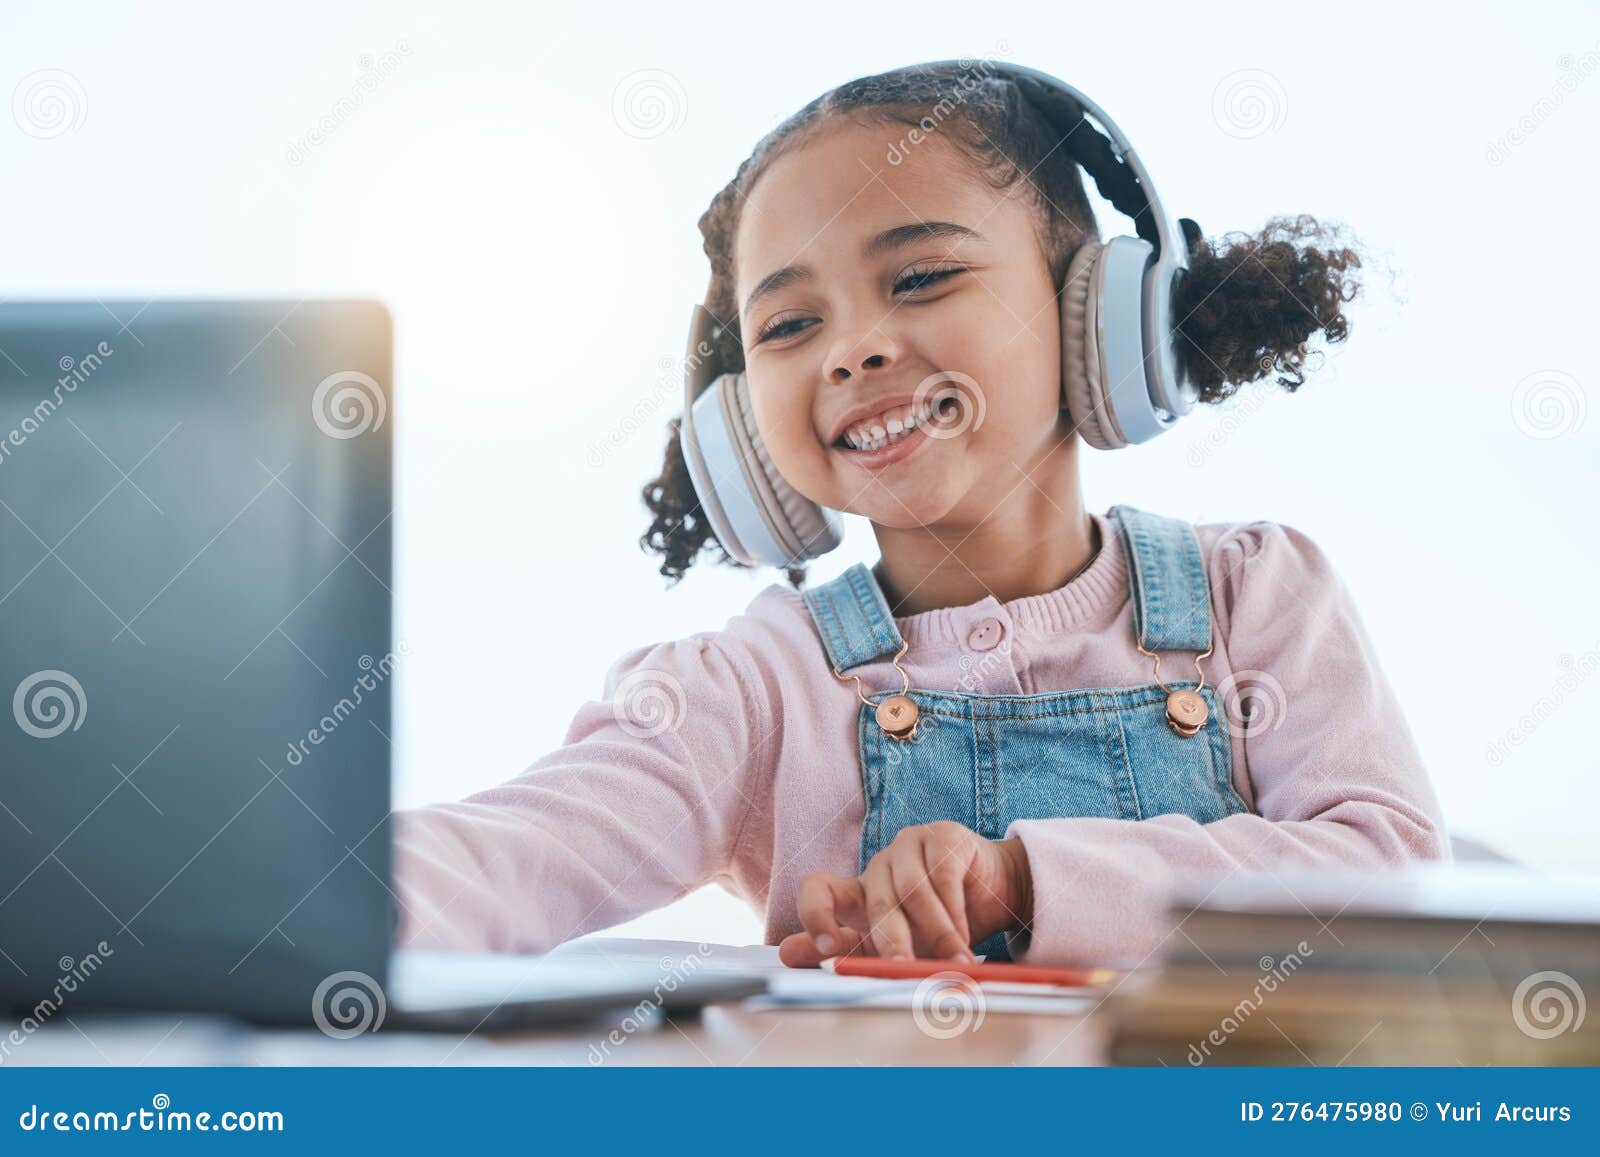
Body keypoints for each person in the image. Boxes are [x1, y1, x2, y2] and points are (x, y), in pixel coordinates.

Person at [391, 61, 1449, 968]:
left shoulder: (1250, 597)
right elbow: (515, 857)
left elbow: (1386, 874)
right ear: (740, 425)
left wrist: (1024, 881)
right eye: (792, 321)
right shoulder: (759, 688)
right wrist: (277, 892)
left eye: (922, 275)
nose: (851, 349)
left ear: (1097, 312)